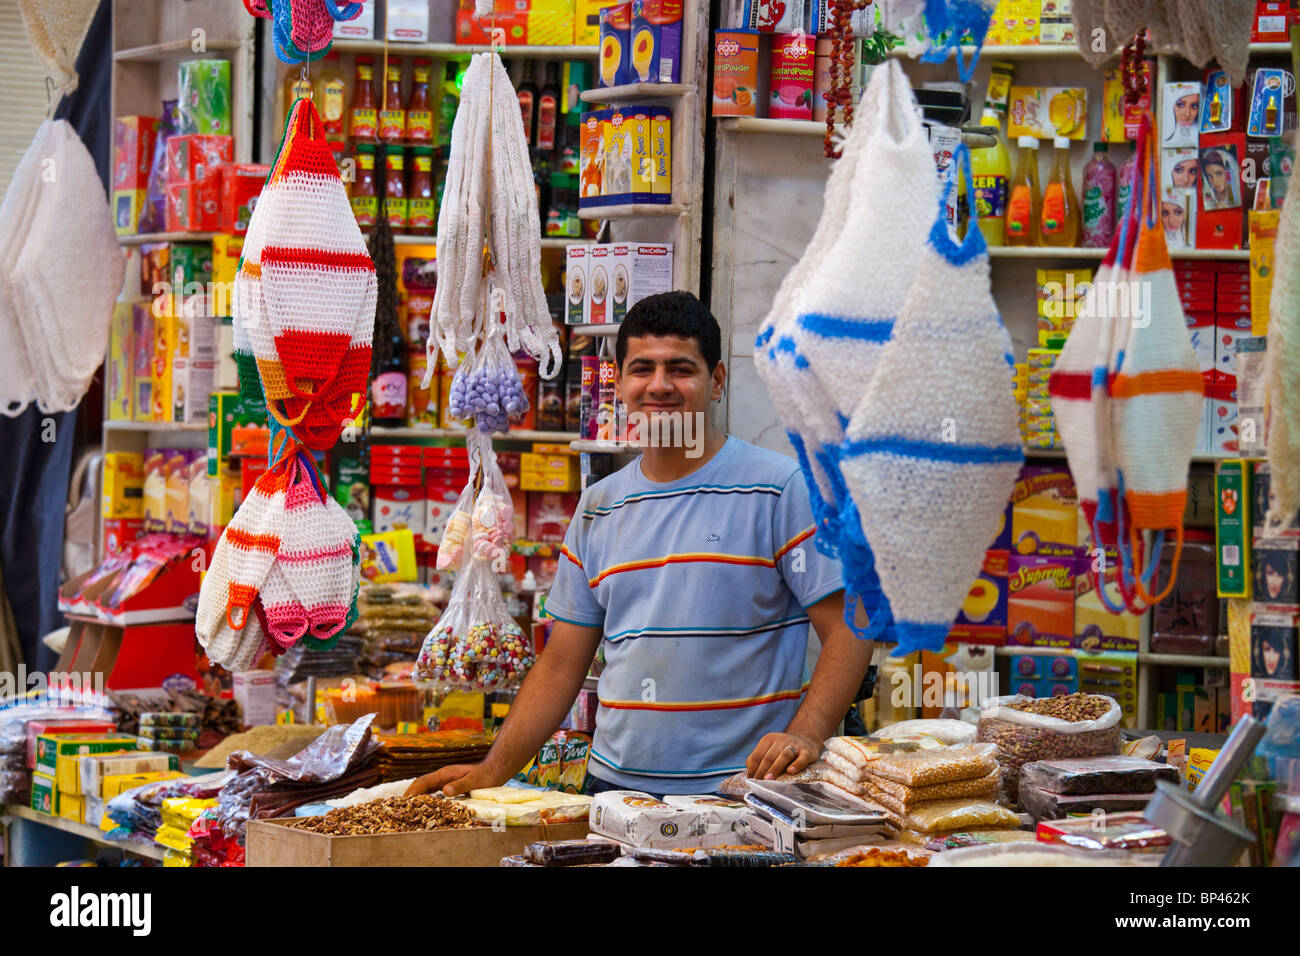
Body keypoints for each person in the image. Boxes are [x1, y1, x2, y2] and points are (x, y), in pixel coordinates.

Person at [407, 292, 872, 799]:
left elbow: (852, 622)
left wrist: (806, 732)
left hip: (744, 795)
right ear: (621, 384)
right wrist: (494, 769)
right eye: (642, 369)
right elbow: (563, 663)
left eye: (680, 369)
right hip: (613, 792)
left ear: (717, 381)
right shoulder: (599, 506)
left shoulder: (781, 488)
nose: (659, 386)